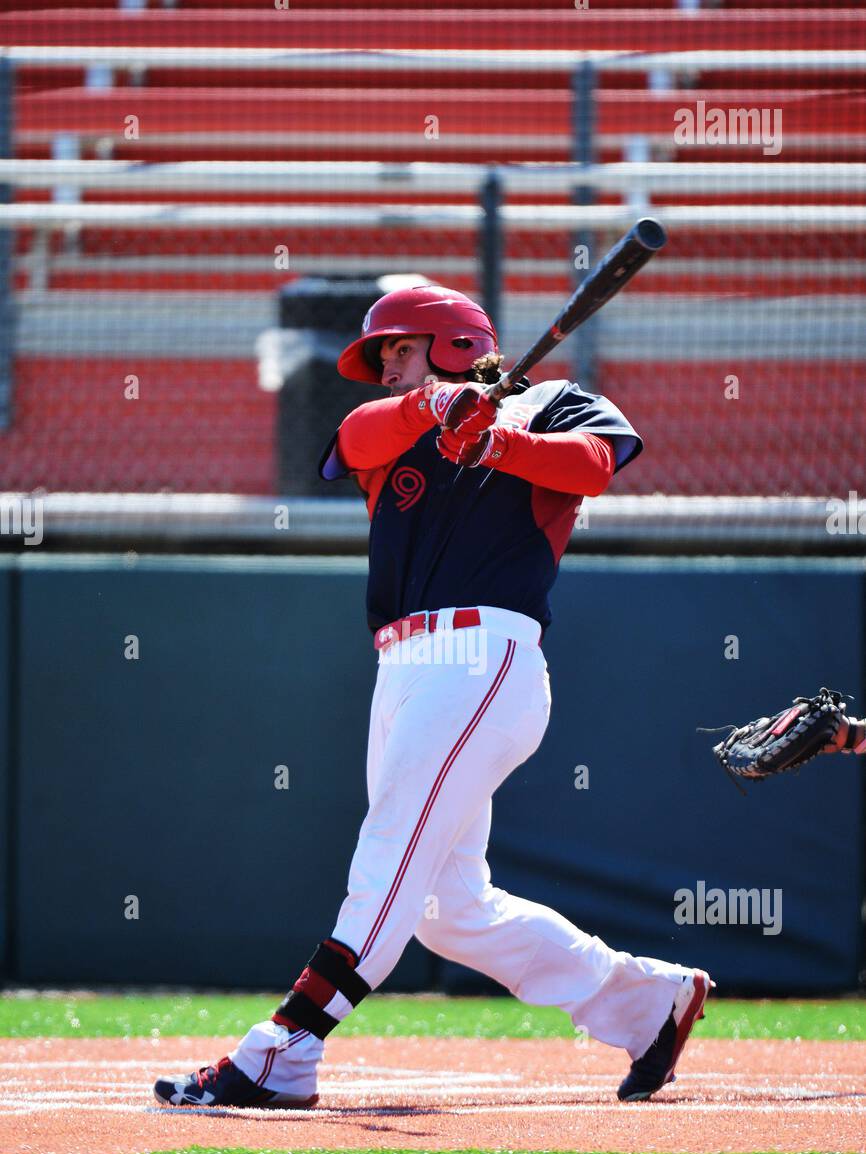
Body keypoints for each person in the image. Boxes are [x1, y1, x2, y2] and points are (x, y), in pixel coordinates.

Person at [154, 283, 713, 1111]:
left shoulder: (556, 404)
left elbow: (592, 468)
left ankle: (284, 1049)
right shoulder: (396, 426)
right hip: (404, 668)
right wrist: (439, 404)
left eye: (402, 354)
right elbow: (350, 435)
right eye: (382, 360)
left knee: (386, 853)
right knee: (450, 911)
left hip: (482, 657)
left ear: (453, 343)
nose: (387, 373)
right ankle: (645, 1004)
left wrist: (495, 443)